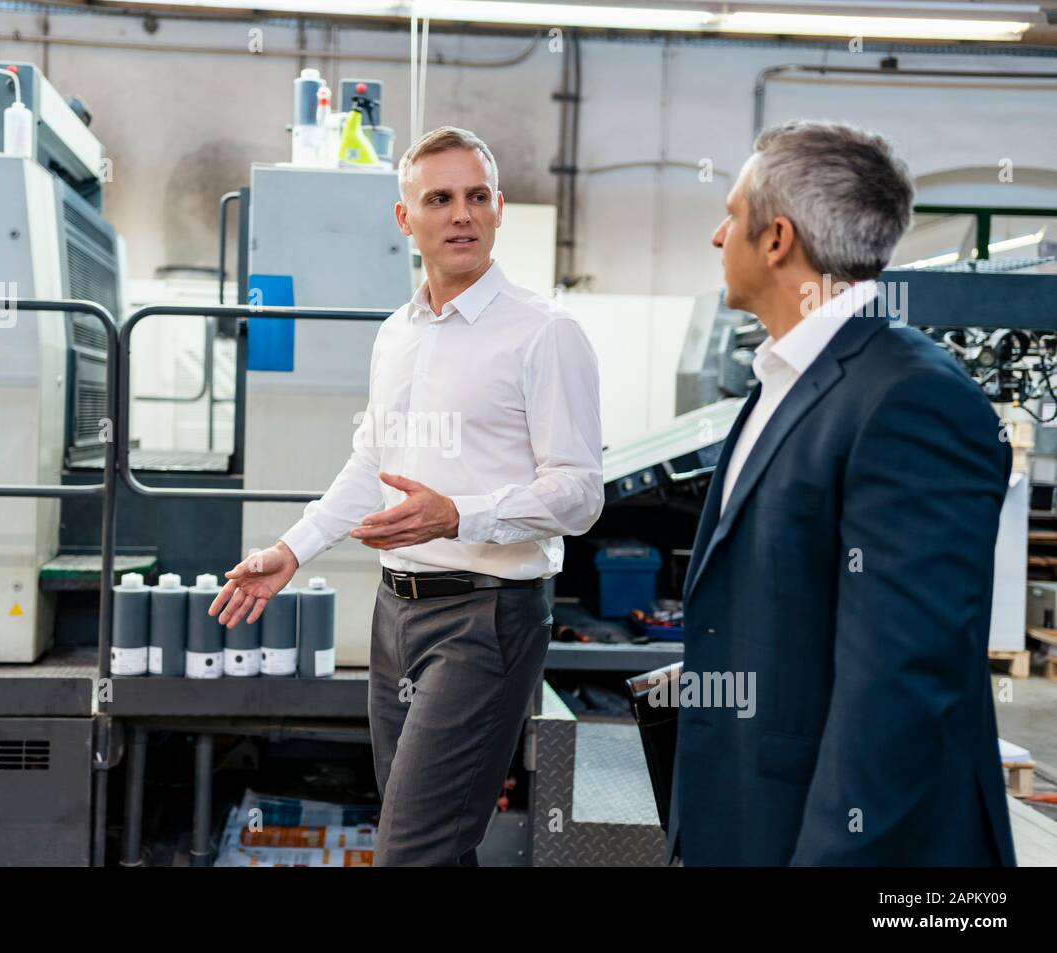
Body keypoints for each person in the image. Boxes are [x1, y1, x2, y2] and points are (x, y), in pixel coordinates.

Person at [208, 126, 603, 865]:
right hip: (396, 614)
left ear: (498, 209)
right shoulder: (397, 334)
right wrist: (293, 550)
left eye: (477, 197)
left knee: (410, 851)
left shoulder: (545, 334)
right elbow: (371, 461)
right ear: (405, 220)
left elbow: (580, 494)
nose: (462, 214)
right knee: (431, 843)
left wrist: (462, 514)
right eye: (441, 198)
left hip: (486, 617)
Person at [670, 120, 1015, 865]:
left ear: (776, 240)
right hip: (752, 817)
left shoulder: (911, 400)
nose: (715, 236)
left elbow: (898, 689)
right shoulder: (788, 380)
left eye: (730, 215)